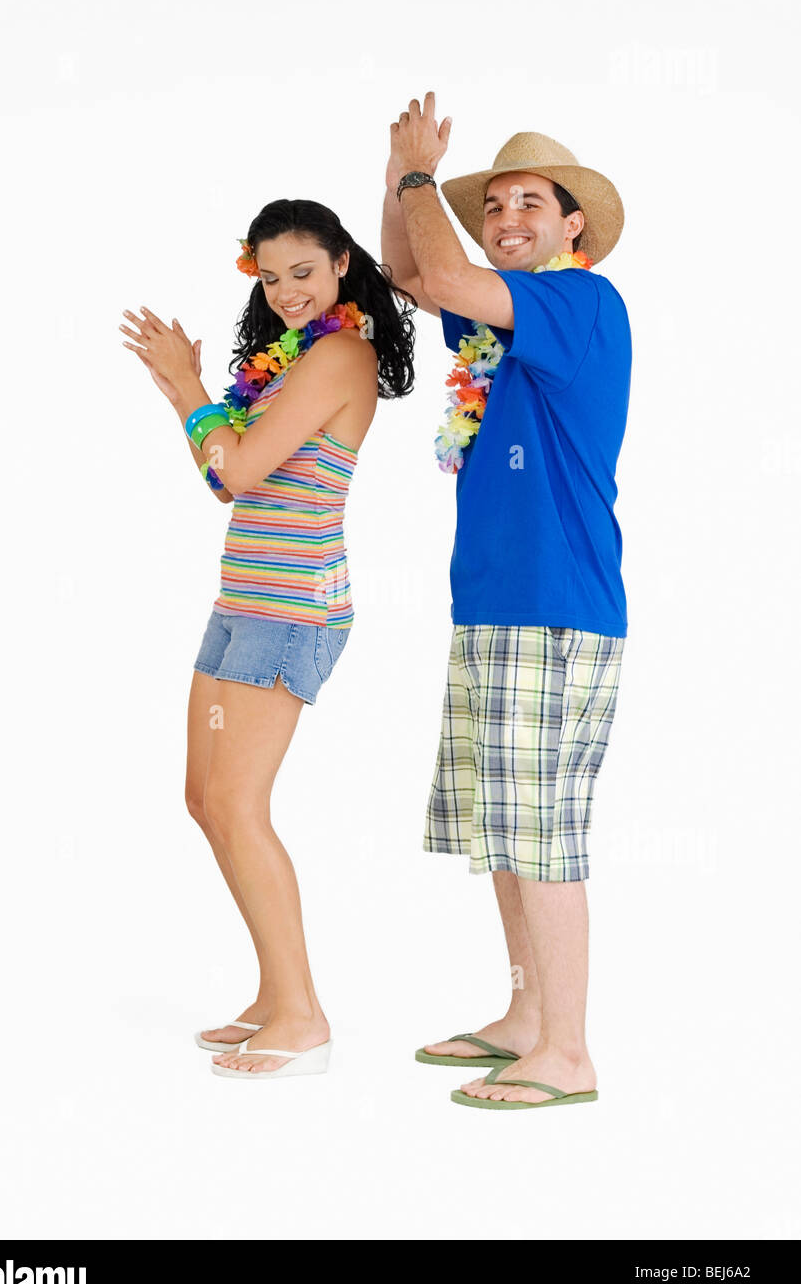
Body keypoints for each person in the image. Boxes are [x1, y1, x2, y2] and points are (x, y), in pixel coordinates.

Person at [120, 200, 414, 1079]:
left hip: (292, 607)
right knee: (207, 800)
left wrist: (184, 390)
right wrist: (198, 407)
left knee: (239, 807)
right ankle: (274, 990)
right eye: (272, 274)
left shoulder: (340, 354)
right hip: (243, 598)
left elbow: (237, 464)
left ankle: (302, 1012)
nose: (288, 291)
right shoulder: (285, 364)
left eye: (306, 272)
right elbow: (225, 484)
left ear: (342, 268)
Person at [381, 94, 631, 1110]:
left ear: (572, 225)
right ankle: (525, 1017)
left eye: (530, 201)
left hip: (553, 606)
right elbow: (408, 271)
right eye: (493, 205)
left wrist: (416, 181)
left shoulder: (578, 306)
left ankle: (566, 1050)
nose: (507, 215)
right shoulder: (496, 326)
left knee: (544, 833)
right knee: (505, 830)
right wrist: (399, 166)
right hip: (492, 606)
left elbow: (435, 264)